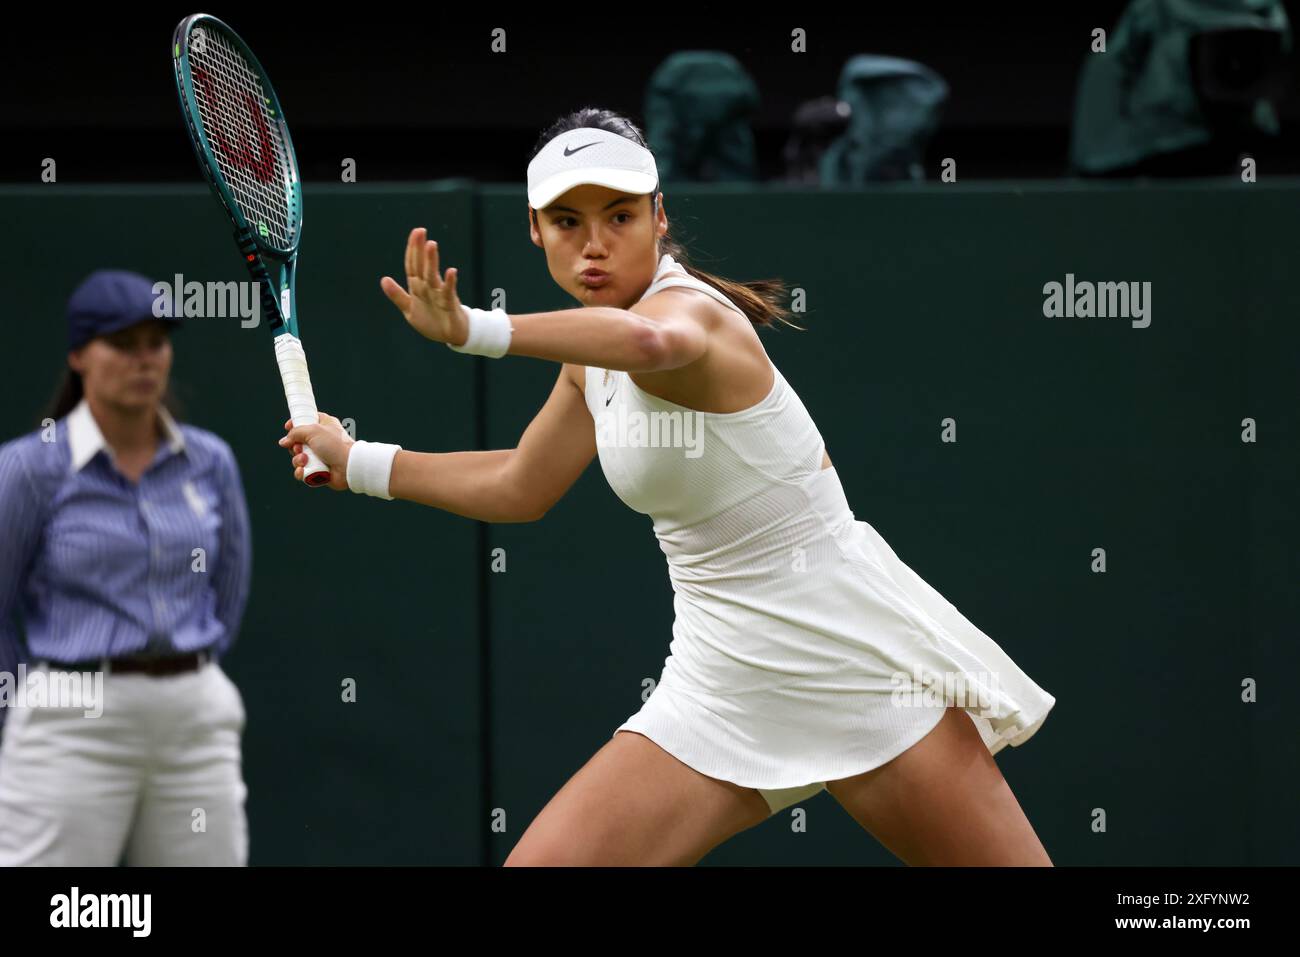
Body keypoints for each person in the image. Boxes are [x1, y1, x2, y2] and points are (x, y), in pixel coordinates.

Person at [278, 108, 1057, 866]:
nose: (594, 244)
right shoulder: (586, 358)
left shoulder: (691, 317)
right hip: (720, 676)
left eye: (618, 217)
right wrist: (359, 461)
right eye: (567, 221)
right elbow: (521, 483)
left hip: (848, 656)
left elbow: (648, 341)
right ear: (534, 229)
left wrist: (476, 329)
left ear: (658, 216)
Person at [0, 269, 252, 866]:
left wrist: (185, 670)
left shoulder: (210, 461)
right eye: (122, 344)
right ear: (79, 356)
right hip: (69, 717)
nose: (144, 360)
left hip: (195, 715)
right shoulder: (30, 468)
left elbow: (227, 591)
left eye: (156, 343)